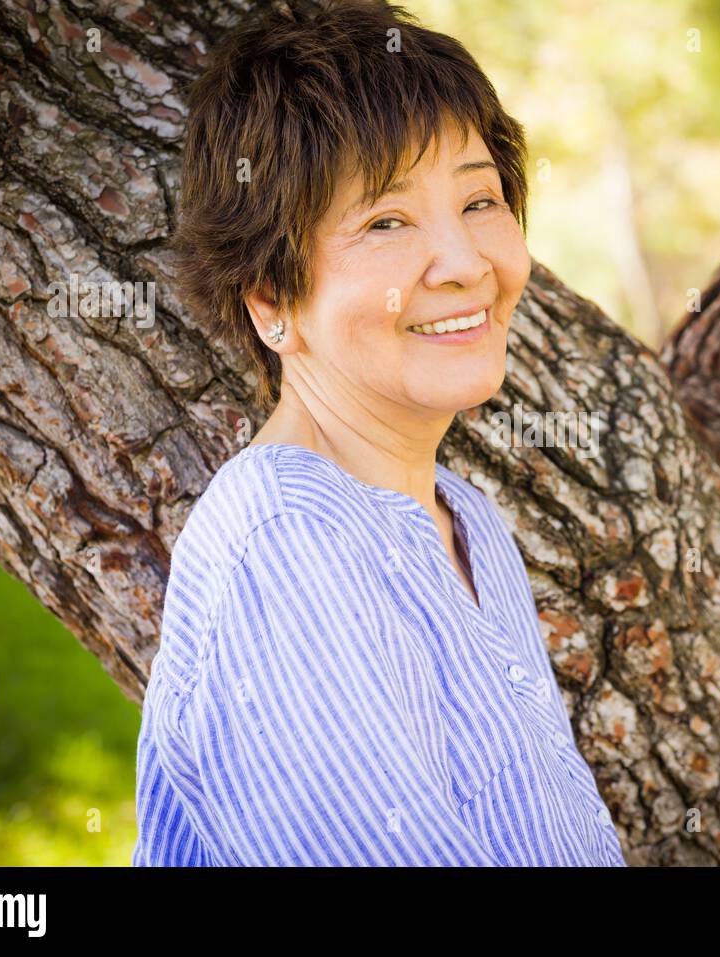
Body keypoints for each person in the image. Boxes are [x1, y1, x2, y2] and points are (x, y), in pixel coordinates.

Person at [132, 0, 626, 866]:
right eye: (386, 221)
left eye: (480, 199)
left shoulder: (466, 522)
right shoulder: (289, 545)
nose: (468, 261)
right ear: (272, 302)